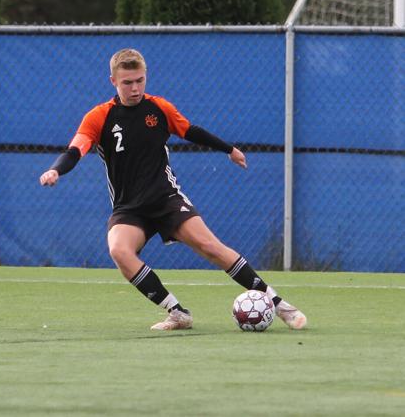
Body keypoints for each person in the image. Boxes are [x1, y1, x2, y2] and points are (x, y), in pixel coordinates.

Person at [39, 48, 306, 331]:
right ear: (113, 82)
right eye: (127, 82)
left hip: (166, 199)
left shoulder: (159, 109)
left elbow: (190, 130)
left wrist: (229, 149)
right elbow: (75, 150)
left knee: (211, 247)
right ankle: (177, 313)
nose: (135, 88)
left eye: (140, 80)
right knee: (119, 250)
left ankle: (279, 305)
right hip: (129, 208)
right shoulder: (99, 117)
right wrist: (56, 169)